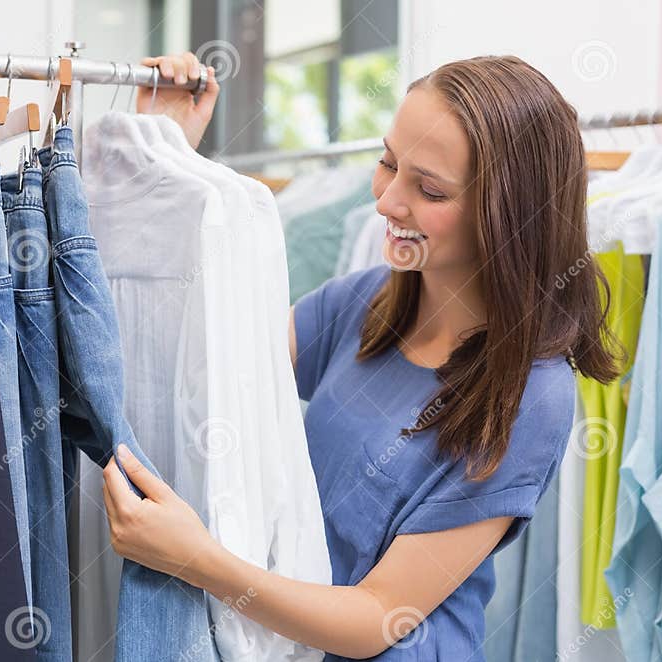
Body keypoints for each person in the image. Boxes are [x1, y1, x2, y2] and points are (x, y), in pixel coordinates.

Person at [103, 51, 622, 660]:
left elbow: (378, 615)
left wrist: (195, 560)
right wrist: (169, 161)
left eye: (428, 189)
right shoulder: (365, 303)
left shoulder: (531, 396)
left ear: (508, 215)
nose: (386, 201)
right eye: (387, 163)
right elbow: (203, 365)